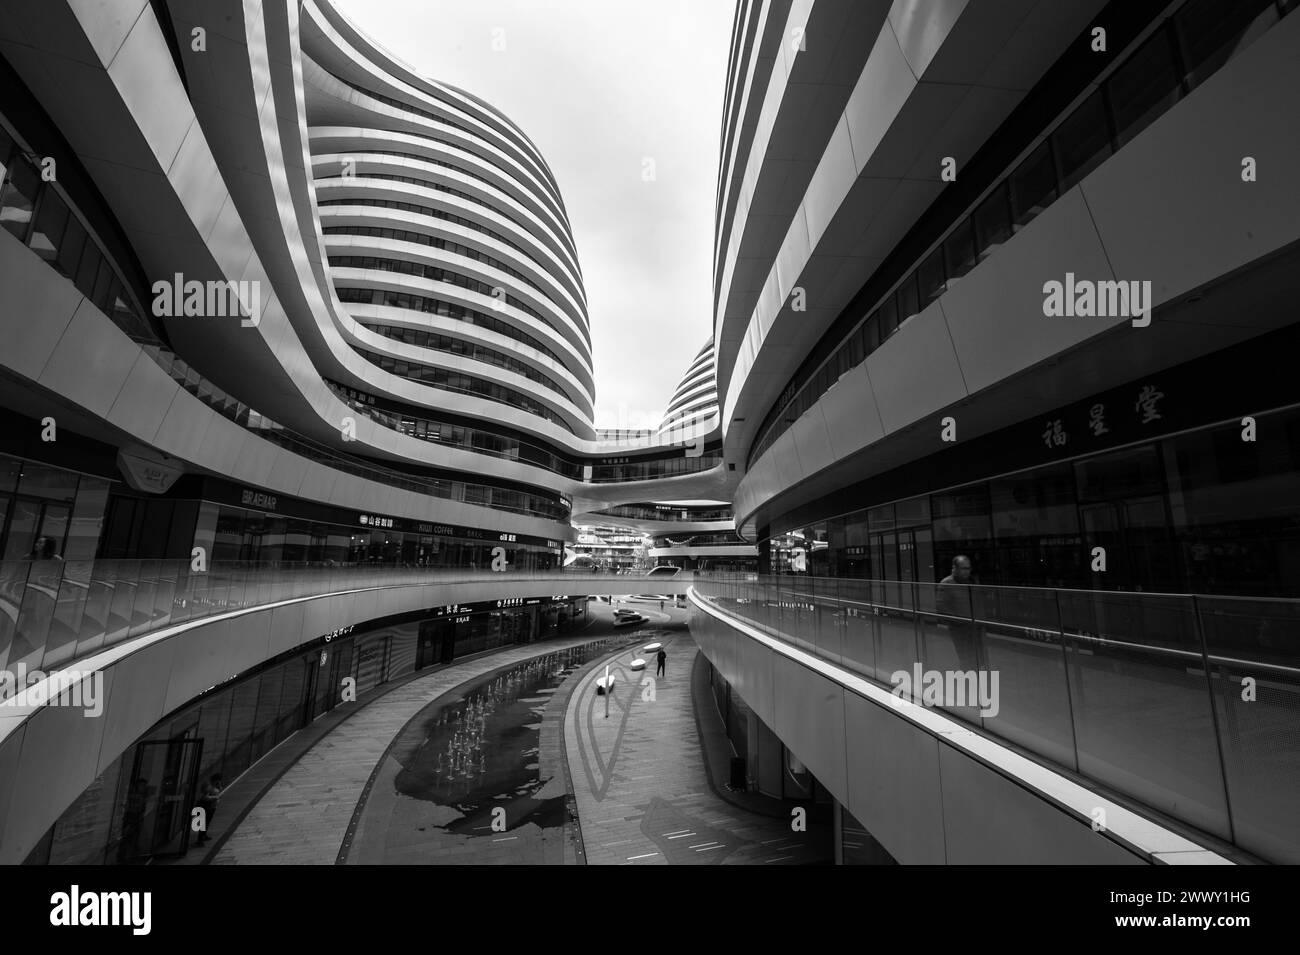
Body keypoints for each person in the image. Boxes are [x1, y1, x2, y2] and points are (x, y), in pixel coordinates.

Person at [935, 555, 979, 671]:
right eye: (963, 568)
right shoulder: (946, 584)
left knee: (976, 654)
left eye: (968, 568)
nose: (967, 571)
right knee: (964, 655)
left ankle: (975, 675)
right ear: (954, 568)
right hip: (959, 628)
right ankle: (967, 677)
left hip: (974, 626)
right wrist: (958, 620)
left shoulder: (972, 582)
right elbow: (941, 607)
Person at [194, 774, 223, 846]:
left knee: (207, 822)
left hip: (212, 807)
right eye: (218, 780)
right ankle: (200, 840)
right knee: (203, 823)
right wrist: (215, 797)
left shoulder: (215, 786)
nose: (219, 782)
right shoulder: (208, 786)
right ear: (215, 780)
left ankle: (204, 835)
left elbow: (219, 791)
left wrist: (219, 786)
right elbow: (205, 798)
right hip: (205, 807)